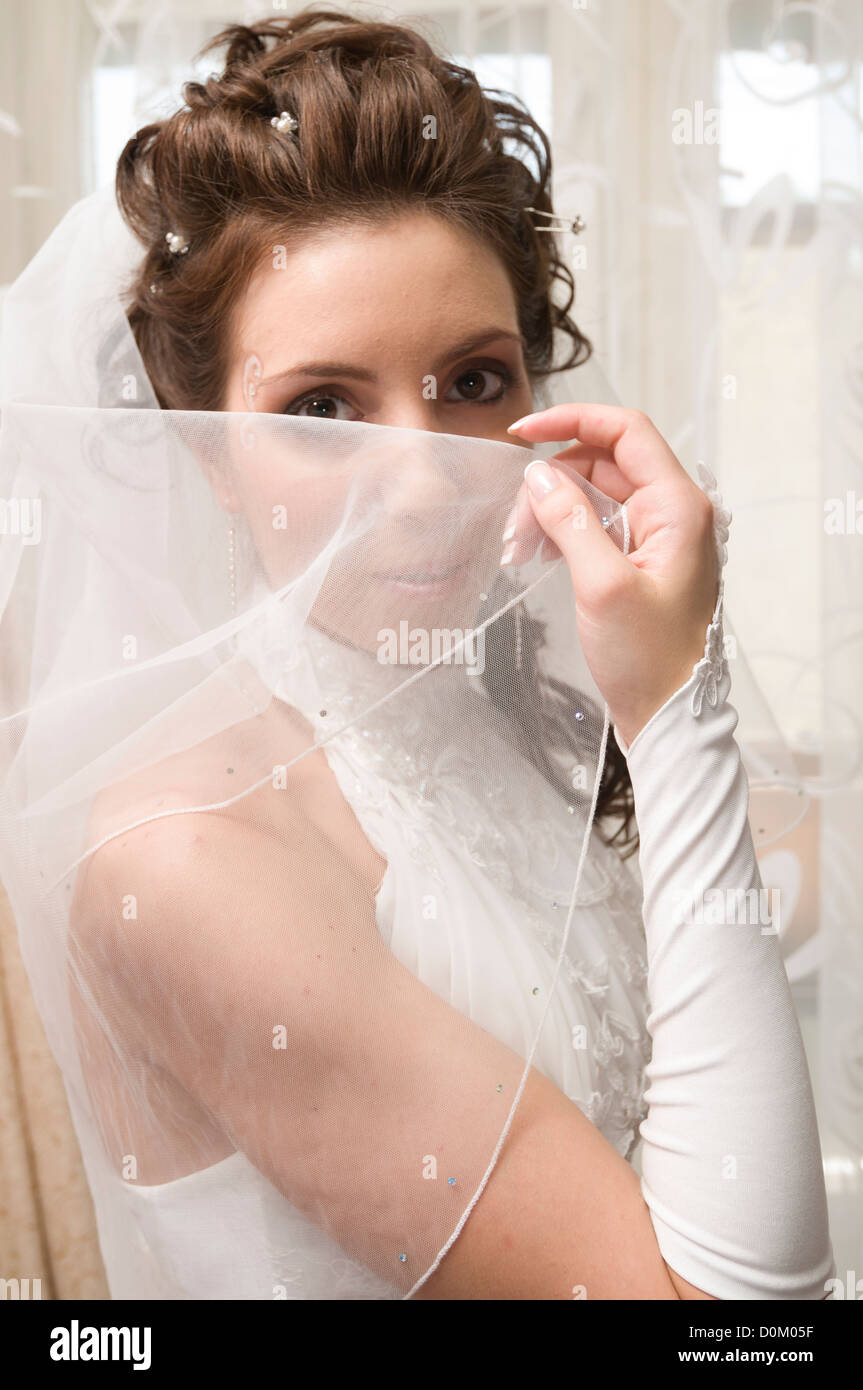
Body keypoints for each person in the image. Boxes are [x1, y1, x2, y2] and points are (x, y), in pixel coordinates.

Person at [0, 11, 833, 1301]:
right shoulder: (182, 859)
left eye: (473, 381)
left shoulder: (505, 716)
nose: (421, 480)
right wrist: (679, 702)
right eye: (322, 408)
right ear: (209, 456)